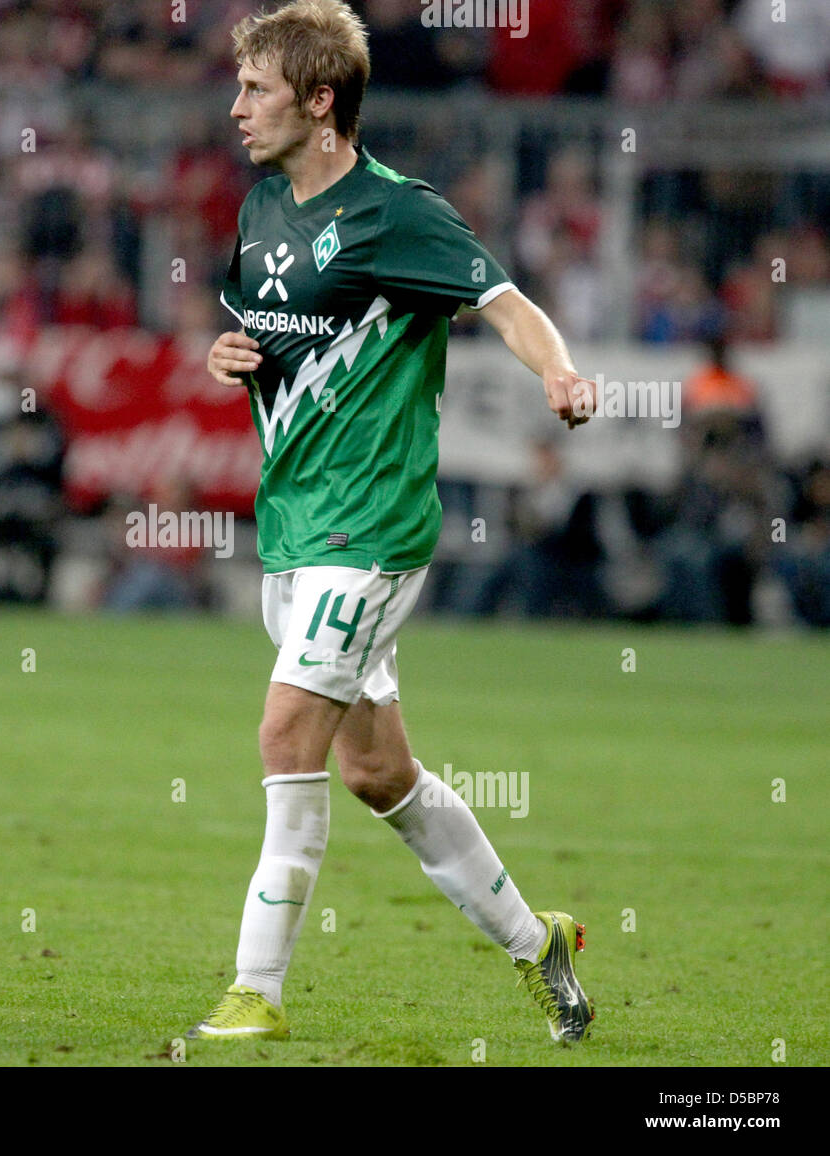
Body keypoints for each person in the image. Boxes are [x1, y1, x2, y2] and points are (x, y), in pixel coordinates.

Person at [187, 0, 596, 1045]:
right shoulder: (264, 208)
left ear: (321, 102)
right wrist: (224, 355)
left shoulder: (395, 212)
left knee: (285, 734)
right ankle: (533, 940)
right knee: (377, 772)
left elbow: (502, 298)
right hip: (296, 523)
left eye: (256, 91)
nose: (235, 109)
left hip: (369, 532)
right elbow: (257, 332)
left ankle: (255, 992)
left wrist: (556, 369)